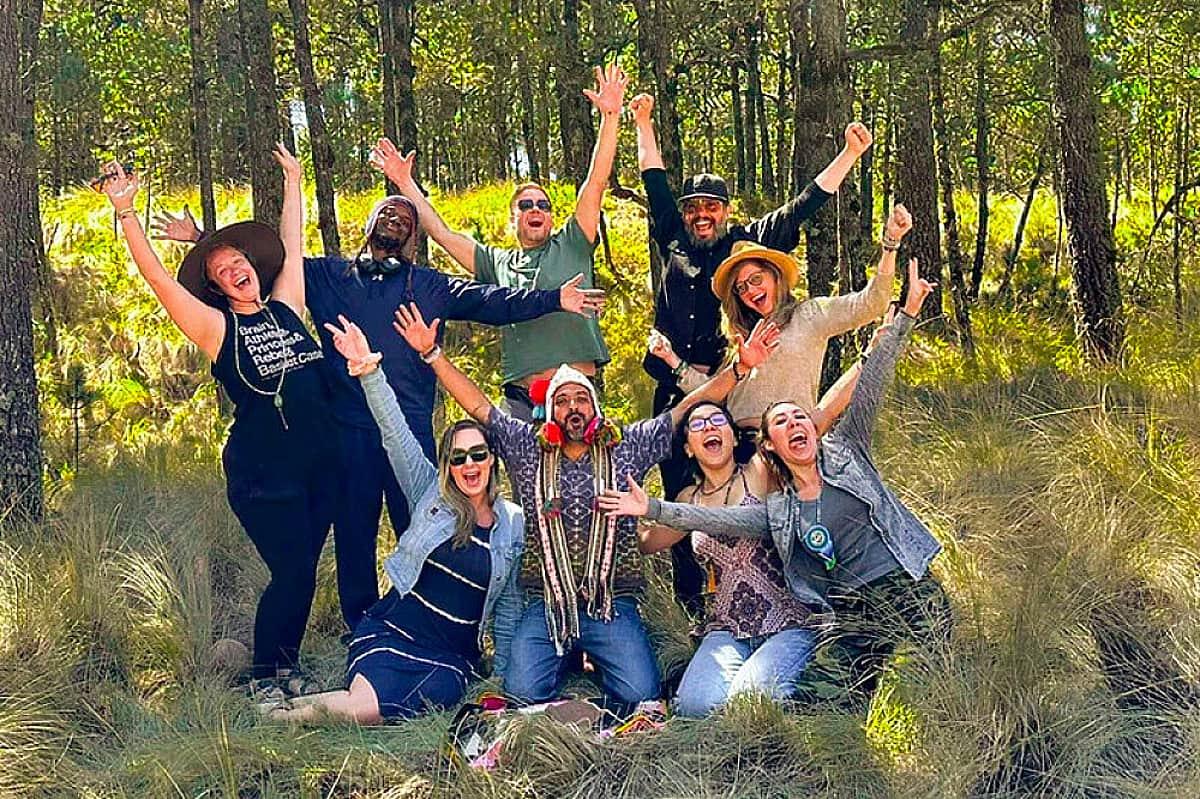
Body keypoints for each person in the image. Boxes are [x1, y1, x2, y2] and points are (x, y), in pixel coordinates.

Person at [151, 192, 604, 634]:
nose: (396, 216)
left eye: (405, 216)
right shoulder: (327, 276)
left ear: (412, 238)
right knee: (354, 533)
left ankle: (426, 617)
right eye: (386, 211)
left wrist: (553, 300)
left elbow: (496, 301)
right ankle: (362, 624)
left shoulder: (430, 286)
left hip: (411, 435)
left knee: (425, 526)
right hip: (348, 434)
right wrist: (200, 237)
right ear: (368, 227)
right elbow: (262, 268)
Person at [389, 301, 783, 706]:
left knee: (640, 694)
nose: (572, 407)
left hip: (611, 602)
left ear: (595, 408)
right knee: (522, 693)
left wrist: (738, 368)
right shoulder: (527, 447)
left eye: (581, 398)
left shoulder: (627, 444)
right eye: (562, 401)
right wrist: (432, 353)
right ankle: (568, 655)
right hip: (546, 602)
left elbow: (684, 409)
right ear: (549, 412)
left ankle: (589, 652)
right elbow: (477, 407)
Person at [599, 260, 952, 708]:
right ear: (769, 446)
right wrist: (647, 508)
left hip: (904, 582)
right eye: (780, 423)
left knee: (934, 682)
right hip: (844, 610)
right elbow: (708, 516)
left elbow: (865, 388)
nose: (793, 424)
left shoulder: (842, 453)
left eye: (798, 418)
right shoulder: (779, 509)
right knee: (812, 706)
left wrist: (902, 317)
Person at [98, 147, 336, 692]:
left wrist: (294, 180)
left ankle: (285, 667)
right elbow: (159, 281)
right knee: (291, 571)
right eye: (223, 271)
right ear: (219, 288)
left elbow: (293, 244)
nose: (236, 271)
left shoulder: (286, 306)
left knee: (302, 574)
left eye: (240, 263)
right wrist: (127, 214)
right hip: (262, 477)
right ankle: (263, 677)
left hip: (318, 468)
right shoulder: (215, 328)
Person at [630, 92, 876, 611]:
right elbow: (653, 178)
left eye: (710, 208)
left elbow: (804, 204)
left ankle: (772, 596)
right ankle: (695, 604)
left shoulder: (746, 245)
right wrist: (641, 120)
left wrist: (849, 155)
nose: (701, 216)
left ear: (725, 212)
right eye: (693, 208)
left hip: (726, 388)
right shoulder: (671, 238)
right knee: (680, 495)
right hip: (674, 391)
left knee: (748, 493)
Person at [264, 317, 524, 723]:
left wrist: (504, 678)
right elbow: (396, 433)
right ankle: (277, 718)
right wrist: (369, 371)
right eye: (458, 457)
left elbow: (507, 608)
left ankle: (288, 707)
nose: (469, 465)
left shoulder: (511, 524)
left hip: (452, 658)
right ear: (446, 466)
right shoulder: (430, 493)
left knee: (418, 705)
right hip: (398, 630)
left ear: (492, 460)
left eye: (478, 454)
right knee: (365, 709)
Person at [371, 63, 628, 421]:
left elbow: (595, 182)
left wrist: (611, 116)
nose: (535, 209)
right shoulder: (496, 263)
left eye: (543, 205)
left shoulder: (573, 242)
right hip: (523, 403)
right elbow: (443, 234)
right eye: (526, 205)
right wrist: (404, 182)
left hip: (578, 400)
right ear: (513, 219)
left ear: (552, 217)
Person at [711, 203, 912, 437]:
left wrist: (890, 243)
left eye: (756, 279)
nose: (750, 290)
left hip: (789, 444)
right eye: (741, 287)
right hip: (739, 449)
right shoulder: (740, 335)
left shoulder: (810, 314)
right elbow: (714, 391)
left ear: (775, 276)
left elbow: (872, 303)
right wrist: (673, 362)